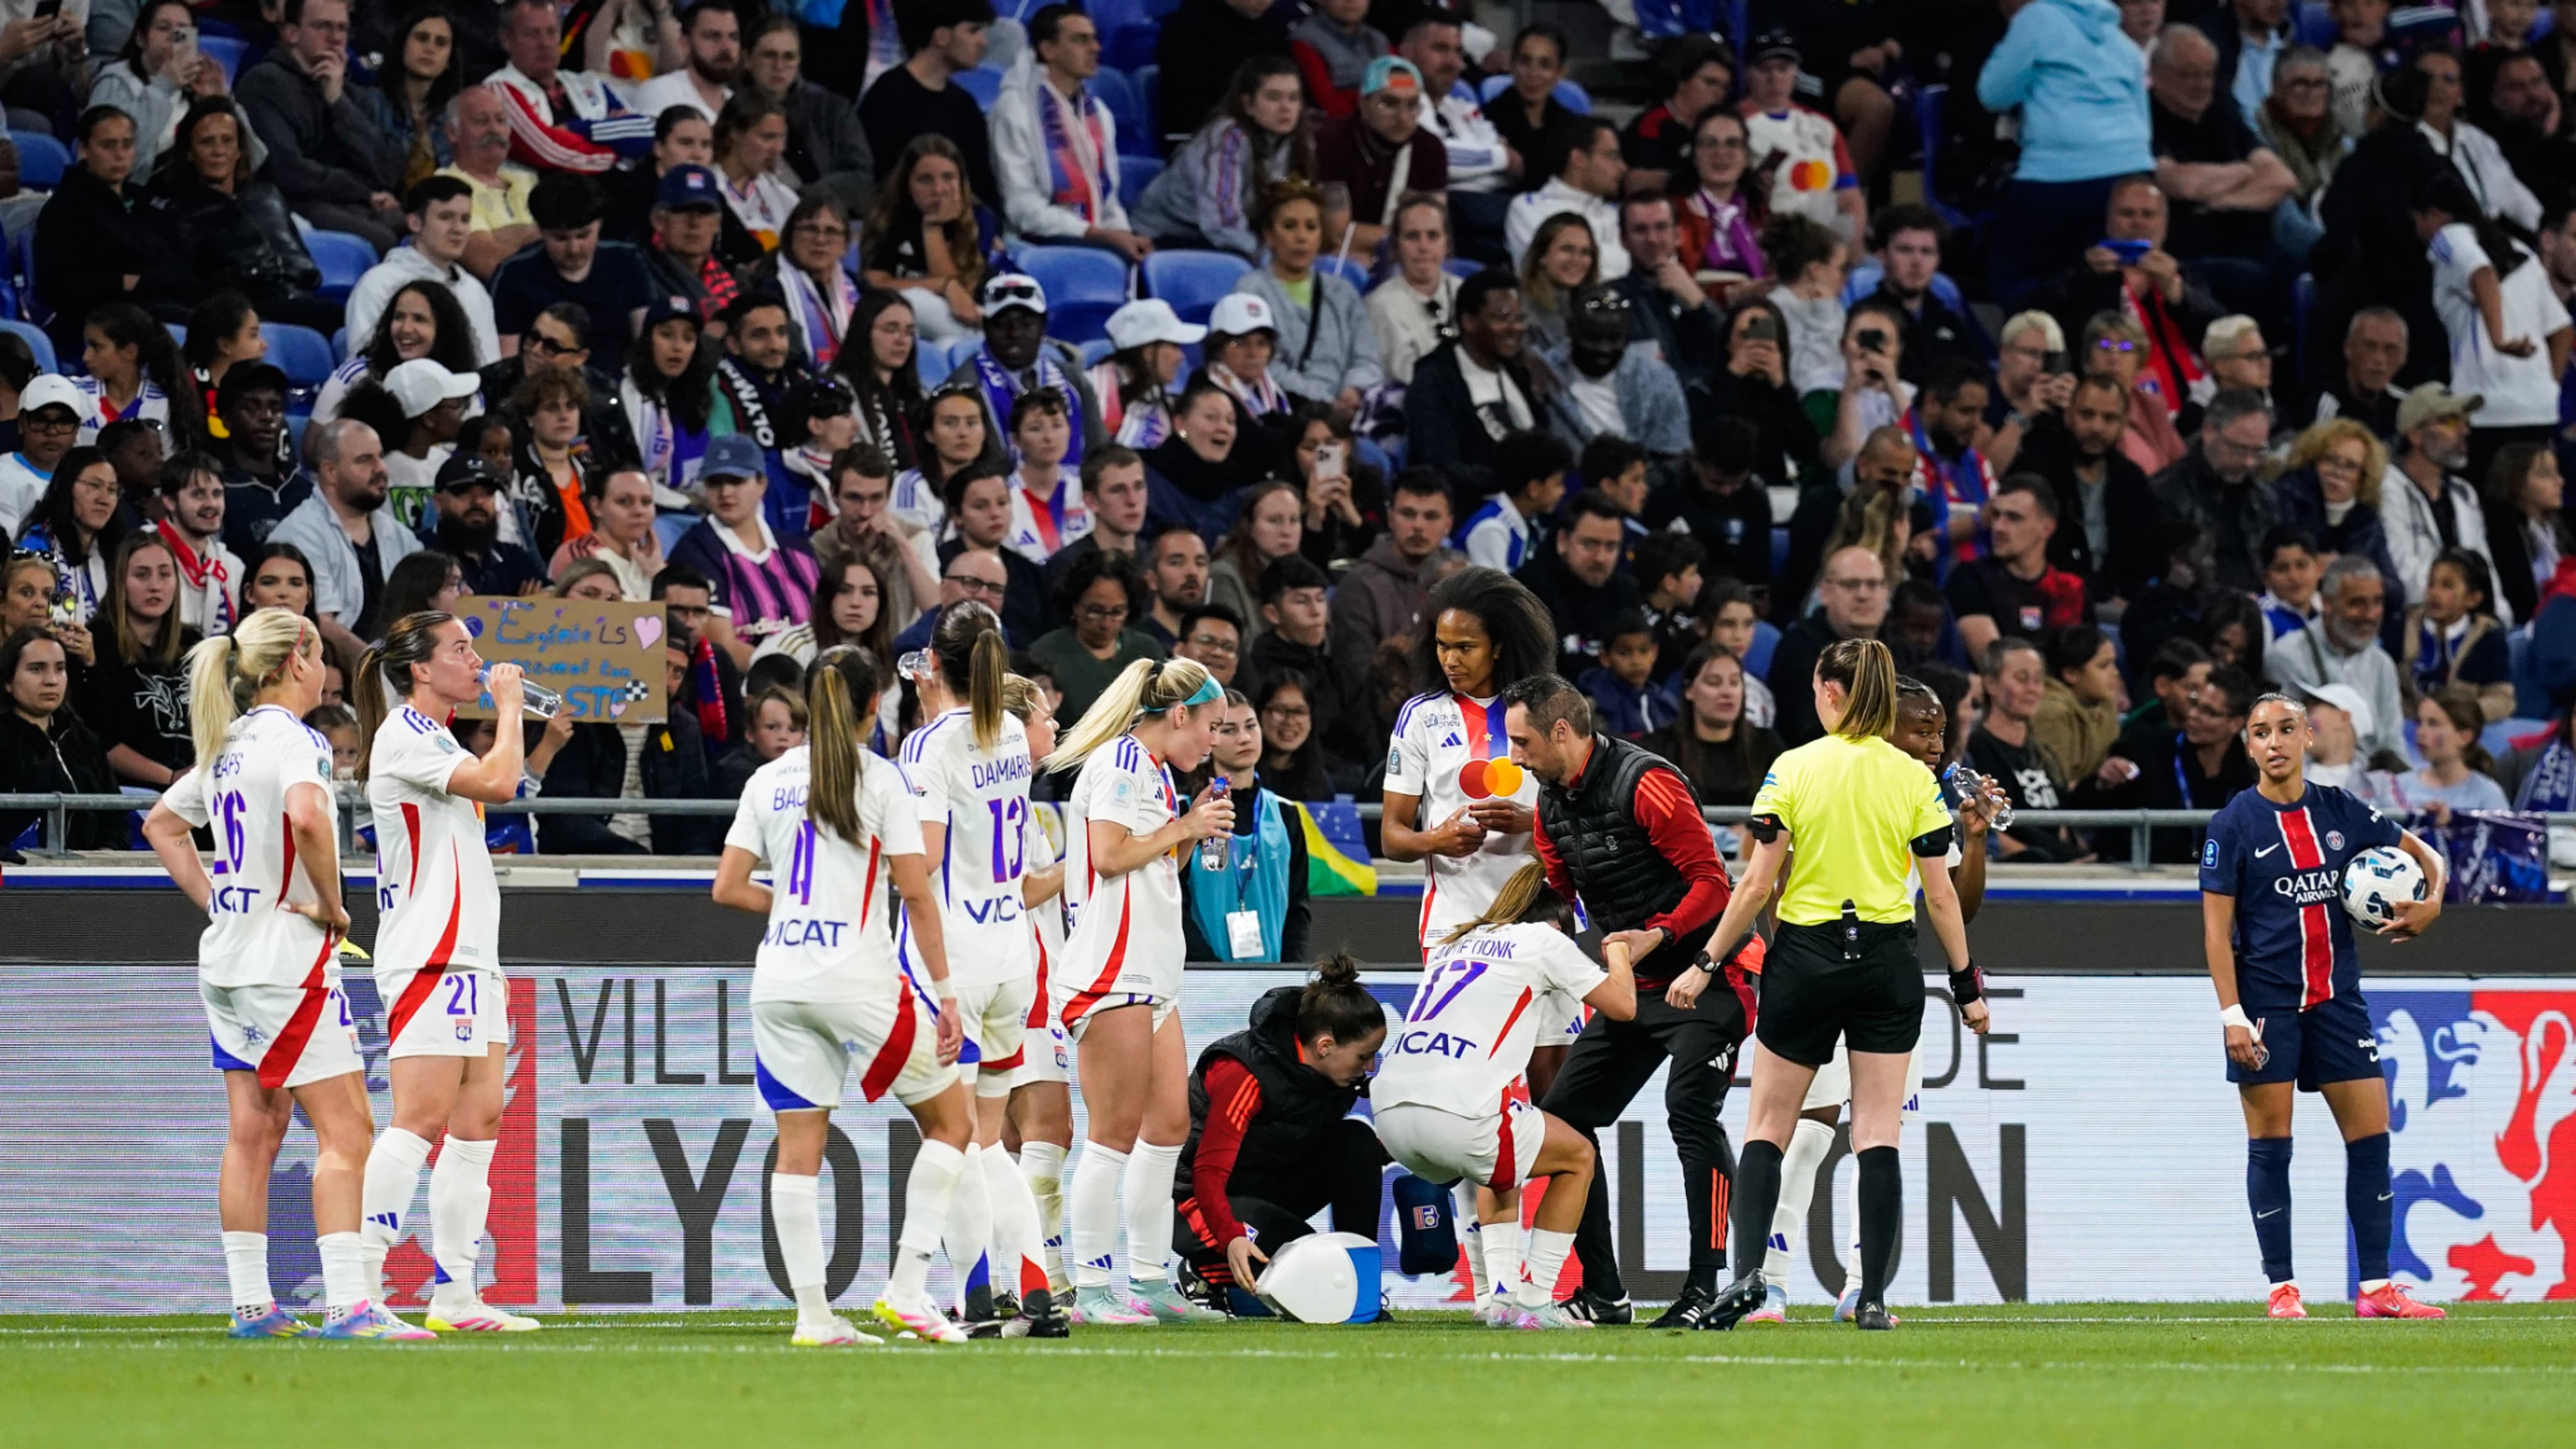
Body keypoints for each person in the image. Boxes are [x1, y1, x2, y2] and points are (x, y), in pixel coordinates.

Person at [1687, 637, 1983, 1331]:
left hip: (1807, 954)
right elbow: (1940, 899)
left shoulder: (1792, 768)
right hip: (1886, 959)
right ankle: (1871, 1297)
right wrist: (1966, 985)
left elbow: (1756, 882)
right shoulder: (1912, 779)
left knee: (1768, 1127)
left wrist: (1706, 962)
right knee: (1877, 1135)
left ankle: (1751, 1284)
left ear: (1827, 692)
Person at [136, 610, 398, 1338]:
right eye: (318, 655)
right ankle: (350, 1306)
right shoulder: (294, 740)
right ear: (298, 659)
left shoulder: (228, 742)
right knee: (347, 1131)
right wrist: (332, 904)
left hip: (227, 958)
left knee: (254, 1129)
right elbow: (309, 819)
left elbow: (161, 824)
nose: (326, 671)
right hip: (286, 962)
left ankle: (253, 1307)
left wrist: (219, 899)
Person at [708, 644, 977, 1344]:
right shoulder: (880, 779)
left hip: (779, 982)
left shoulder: (768, 780)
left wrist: (795, 916)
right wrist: (945, 995)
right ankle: (908, 1290)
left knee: (798, 1149)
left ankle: (813, 1316)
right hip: (856, 982)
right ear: (871, 705)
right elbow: (916, 894)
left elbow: (728, 887)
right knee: (952, 1125)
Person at [1499, 670, 1746, 1326]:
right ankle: (1605, 1296)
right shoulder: (1550, 805)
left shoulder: (1646, 782)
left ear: (1561, 731)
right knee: (1561, 1126)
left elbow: (1713, 886)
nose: (1514, 757)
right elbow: (1559, 900)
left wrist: (1659, 936)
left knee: (1688, 1114)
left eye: (1522, 742)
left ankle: (1707, 1287)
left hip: (1708, 973)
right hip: (1632, 985)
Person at [2200, 691, 2448, 1319]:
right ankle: (2282, 1290)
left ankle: (2375, 1290)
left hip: (2338, 1002)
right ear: (2248, 746)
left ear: (2309, 736)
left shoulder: (2339, 810)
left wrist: (2433, 900)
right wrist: (2231, 1015)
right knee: (2270, 1145)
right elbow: (2213, 932)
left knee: (2371, 1140)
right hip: (2265, 1007)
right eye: (2260, 733)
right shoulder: (2232, 825)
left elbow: (2428, 857)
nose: (2274, 743)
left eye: (2286, 729)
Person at [343, 612, 539, 1334]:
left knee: (478, 1122)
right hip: (431, 953)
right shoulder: (405, 735)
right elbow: (502, 784)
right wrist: (512, 707)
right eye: (461, 650)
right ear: (420, 670)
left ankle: (456, 1293)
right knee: (420, 1119)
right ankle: (360, 1287)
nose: (478, 661)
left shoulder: (437, 739)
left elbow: (475, 814)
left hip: (471, 956)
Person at [1044, 655, 1235, 1324]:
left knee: (1168, 1128)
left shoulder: (1152, 771)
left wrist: (1192, 830)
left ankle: (1151, 1279)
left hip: (1152, 975)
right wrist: (1184, 828)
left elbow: (1148, 861)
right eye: (1211, 727)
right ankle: (1094, 1289)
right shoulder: (1122, 765)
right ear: (1179, 715)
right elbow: (1108, 855)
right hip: (1110, 973)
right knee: (1115, 1133)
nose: (1215, 741)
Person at [892, 603, 1062, 1335]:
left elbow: (923, 861)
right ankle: (1034, 1292)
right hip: (1010, 954)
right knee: (985, 1138)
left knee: (951, 1138)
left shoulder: (929, 745)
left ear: (933, 662)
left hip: (952, 964)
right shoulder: (1012, 740)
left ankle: (974, 1296)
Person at [1170, 951, 1382, 1299]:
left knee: (1359, 1142)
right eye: (1364, 1056)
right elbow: (1206, 1172)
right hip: (1200, 1200)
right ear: (1325, 1047)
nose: (1370, 1067)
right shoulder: (1242, 1073)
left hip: (1268, 1185)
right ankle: (1203, 1271)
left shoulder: (1339, 1074)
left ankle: (1362, 1289)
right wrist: (1231, 1236)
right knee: (1308, 1264)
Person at [2418, 173, 2571, 490]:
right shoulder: (2520, 250)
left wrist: (2499, 339)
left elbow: (2483, 274)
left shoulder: (2449, 237)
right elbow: (2562, 329)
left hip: (2488, 413)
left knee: (2490, 512)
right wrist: (2549, 388)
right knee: (2527, 515)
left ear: (2433, 215)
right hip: (2539, 413)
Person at [234, 0, 404, 251]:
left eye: (343, 28)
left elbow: (387, 170)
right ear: (292, 33)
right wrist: (363, 192)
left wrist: (338, 103)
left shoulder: (352, 95)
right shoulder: (263, 84)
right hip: (294, 205)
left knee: (420, 230)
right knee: (386, 242)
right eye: (323, 26)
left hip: (353, 203)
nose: (336, 38)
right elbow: (287, 171)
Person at [34, 105, 194, 360]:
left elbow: (181, 265)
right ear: (83, 150)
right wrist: (122, 282)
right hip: (104, 323)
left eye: (127, 145)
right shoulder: (64, 209)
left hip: (163, 305)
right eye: (108, 146)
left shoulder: (146, 203)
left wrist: (140, 280)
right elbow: (59, 285)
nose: (119, 155)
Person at [989, 5, 1145, 260]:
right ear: (1048, 49)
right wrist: (1100, 236)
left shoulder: (1100, 113)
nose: (1096, 48)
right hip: (1036, 241)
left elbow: (1109, 201)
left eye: (1095, 39)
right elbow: (1021, 207)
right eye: (1080, 40)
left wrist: (1124, 235)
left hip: (1095, 238)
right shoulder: (1014, 109)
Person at [1231, 179, 1382, 423]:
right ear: (1269, 235)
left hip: (1344, 416)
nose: (1301, 237)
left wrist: (1352, 390)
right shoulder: (1251, 292)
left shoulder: (1343, 291)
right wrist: (1323, 402)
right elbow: (1261, 366)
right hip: (1285, 416)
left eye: (1311, 227)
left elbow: (1367, 358)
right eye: (1289, 226)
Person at [1179, 687, 1310, 962]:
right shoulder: (1184, 812)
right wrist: (1208, 969)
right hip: (1202, 977)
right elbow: (1176, 904)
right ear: (1210, 738)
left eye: (1251, 726)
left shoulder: (1287, 815)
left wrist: (1288, 972)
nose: (1245, 738)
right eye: (1230, 730)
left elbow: (1298, 907)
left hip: (1272, 979)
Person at [667, 433, 821, 663]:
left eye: (736, 481)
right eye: (715, 483)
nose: (726, 493)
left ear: (762, 484)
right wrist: (796, 678)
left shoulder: (799, 552)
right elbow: (721, 646)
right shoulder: (693, 553)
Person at [491, 172, 656, 375]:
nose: (574, 249)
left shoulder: (627, 261)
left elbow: (647, 340)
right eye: (561, 239)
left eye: (584, 235)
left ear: (600, 225)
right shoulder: (515, 274)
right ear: (541, 231)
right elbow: (507, 361)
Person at [1405, 269, 1540, 499]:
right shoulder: (1435, 380)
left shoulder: (1517, 372)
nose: (1515, 328)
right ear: (1469, 321)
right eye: (1502, 317)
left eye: (1519, 319)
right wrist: (1512, 485)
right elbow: (1442, 467)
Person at [948, 274, 1108, 467]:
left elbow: (1100, 456)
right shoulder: (964, 387)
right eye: (1002, 324)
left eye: (1026, 324)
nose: (1014, 333)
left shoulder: (1072, 378)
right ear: (986, 327)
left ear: (1043, 327)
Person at [858, 0, 998, 213]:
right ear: (941, 37)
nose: (983, 42)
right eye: (973, 31)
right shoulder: (887, 96)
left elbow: (983, 185)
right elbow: (885, 184)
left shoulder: (965, 105)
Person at [485, 0, 655, 175]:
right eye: (531, 34)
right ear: (506, 39)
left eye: (552, 32)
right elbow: (549, 151)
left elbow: (645, 132)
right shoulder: (497, 91)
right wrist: (616, 153)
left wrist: (576, 129)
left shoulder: (587, 82)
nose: (544, 43)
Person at [2380, 383, 2505, 620]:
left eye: (2464, 421)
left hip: (2470, 621)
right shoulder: (2387, 489)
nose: (2464, 431)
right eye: (2449, 421)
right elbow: (2402, 573)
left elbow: (2485, 567)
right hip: (2414, 622)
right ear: (2416, 435)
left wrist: (2498, 615)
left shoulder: (2464, 493)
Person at [350, 177, 504, 370]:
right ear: (415, 223)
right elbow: (363, 365)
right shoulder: (379, 283)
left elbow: (488, 367)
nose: (458, 229)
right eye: (446, 217)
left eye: (465, 219)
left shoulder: (475, 291)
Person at [2150, 387, 2287, 594]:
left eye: (2258, 451)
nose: (2250, 462)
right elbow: (2173, 580)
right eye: (2240, 449)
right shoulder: (2166, 494)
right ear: (2209, 432)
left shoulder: (2264, 498)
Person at [1945, 475, 2096, 661]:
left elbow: (2091, 663)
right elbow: (1997, 667)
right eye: (1996, 515)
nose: (1999, 527)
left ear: (2047, 528)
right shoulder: (1969, 579)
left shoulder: (2072, 589)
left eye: (2013, 518)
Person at [0, 624, 121, 855]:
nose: (52, 681)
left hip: (89, 875)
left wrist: (106, 856)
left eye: (60, 669)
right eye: (36, 670)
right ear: (8, 680)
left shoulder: (84, 740)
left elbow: (115, 818)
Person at [1736, 30, 1867, 245]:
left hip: (1824, 241)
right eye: (1764, 69)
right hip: (1766, 240)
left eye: (1783, 69)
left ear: (1795, 73)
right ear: (1747, 73)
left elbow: (1850, 196)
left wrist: (1851, 249)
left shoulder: (1822, 123)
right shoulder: (1731, 123)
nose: (1774, 78)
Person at [1314, 57, 1448, 257]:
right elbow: (1336, 235)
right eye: (1389, 104)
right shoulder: (1333, 140)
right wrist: (1406, 238)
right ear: (1363, 103)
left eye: (1412, 105)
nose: (1403, 117)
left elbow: (1432, 233)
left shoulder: (1430, 149)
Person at [1540, 283, 1688, 456]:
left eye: (1614, 338)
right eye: (1592, 338)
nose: (1604, 348)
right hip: (1569, 479)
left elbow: (1672, 453)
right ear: (1570, 330)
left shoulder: (1658, 378)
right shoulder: (1544, 371)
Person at [1770, 545, 1889, 746]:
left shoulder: (1900, 647)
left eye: (1873, 584)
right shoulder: (1799, 649)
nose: (1863, 595)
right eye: (1851, 585)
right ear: (1824, 593)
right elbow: (1807, 733)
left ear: (1886, 592)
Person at [1640, 641, 1781, 808]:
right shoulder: (1660, 750)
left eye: (1735, 682)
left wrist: (1750, 832)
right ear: (1689, 690)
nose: (1727, 692)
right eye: (1714, 683)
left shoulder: (1766, 745)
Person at [1028, 548, 1160, 726]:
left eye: (1117, 612)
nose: (1106, 623)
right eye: (1096, 611)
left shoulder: (1148, 651)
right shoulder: (1044, 655)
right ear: (1075, 605)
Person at [435, 85, 541, 282]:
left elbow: (568, 245)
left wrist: (505, 237)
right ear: (452, 133)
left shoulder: (528, 179)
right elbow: (491, 264)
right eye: (481, 121)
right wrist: (538, 235)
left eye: (501, 121)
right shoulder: (445, 187)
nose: (494, 129)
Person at [1505, 116, 1631, 282]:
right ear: (1578, 159)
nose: (1623, 168)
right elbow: (1550, 272)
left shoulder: (1615, 213)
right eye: (1611, 156)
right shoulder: (1529, 208)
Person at [2402, 546, 2516, 719]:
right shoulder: (2403, 628)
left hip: (2464, 731)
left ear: (2473, 599)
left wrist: (2461, 716)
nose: (2434, 593)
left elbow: (2502, 700)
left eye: (2447, 586)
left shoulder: (2489, 638)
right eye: (2431, 584)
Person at [361, 4, 460, 194]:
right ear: (402, 46)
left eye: (441, 43)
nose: (430, 48)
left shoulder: (452, 118)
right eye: (421, 38)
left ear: (449, 60)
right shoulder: (371, 103)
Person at [152, 450, 242, 636]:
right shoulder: (143, 555)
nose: (211, 504)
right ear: (169, 501)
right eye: (198, 495)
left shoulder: (232, 565)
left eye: (217, 494)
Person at [2483, 441, 2571, 626]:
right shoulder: (2504, 537)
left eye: (2557, 473)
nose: (2560, 481)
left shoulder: (2561, 530)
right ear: (2517, 483)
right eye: (2547, 475)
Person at [1457, 431, 1563, 574]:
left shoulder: (1528, 525)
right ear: (1534, 488)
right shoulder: (1493, 529)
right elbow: (1493, 594)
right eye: (1558, 484)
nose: (1563, 491)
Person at [709, 92, 797, 251]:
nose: (778, 149)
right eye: (767, 137)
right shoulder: (706, 187)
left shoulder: (781, 195)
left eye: (781, 138)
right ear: (735, 133)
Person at [627, 1, 736, 123]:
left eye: (733, 37)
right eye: (712, 36)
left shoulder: (738, 104)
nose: (726, 46)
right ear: (685, 42)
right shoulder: (661, 92)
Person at [2308, 307, 2409, 438]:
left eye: (2390, 349)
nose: (2379, 359)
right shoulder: (2325, 403)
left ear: (2403, 356)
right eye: (2370, 346)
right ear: (2349, 348)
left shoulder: (2407, 406)